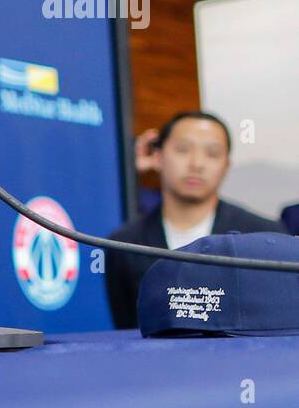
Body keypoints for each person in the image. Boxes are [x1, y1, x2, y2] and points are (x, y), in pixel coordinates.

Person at [104, 110, 287, 329]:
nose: (197, 163)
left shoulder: (263, 237)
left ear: (226, 165)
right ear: (159, 157)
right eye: (183, 150)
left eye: (212, 153)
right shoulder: (124, 244)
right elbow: (127, 330)